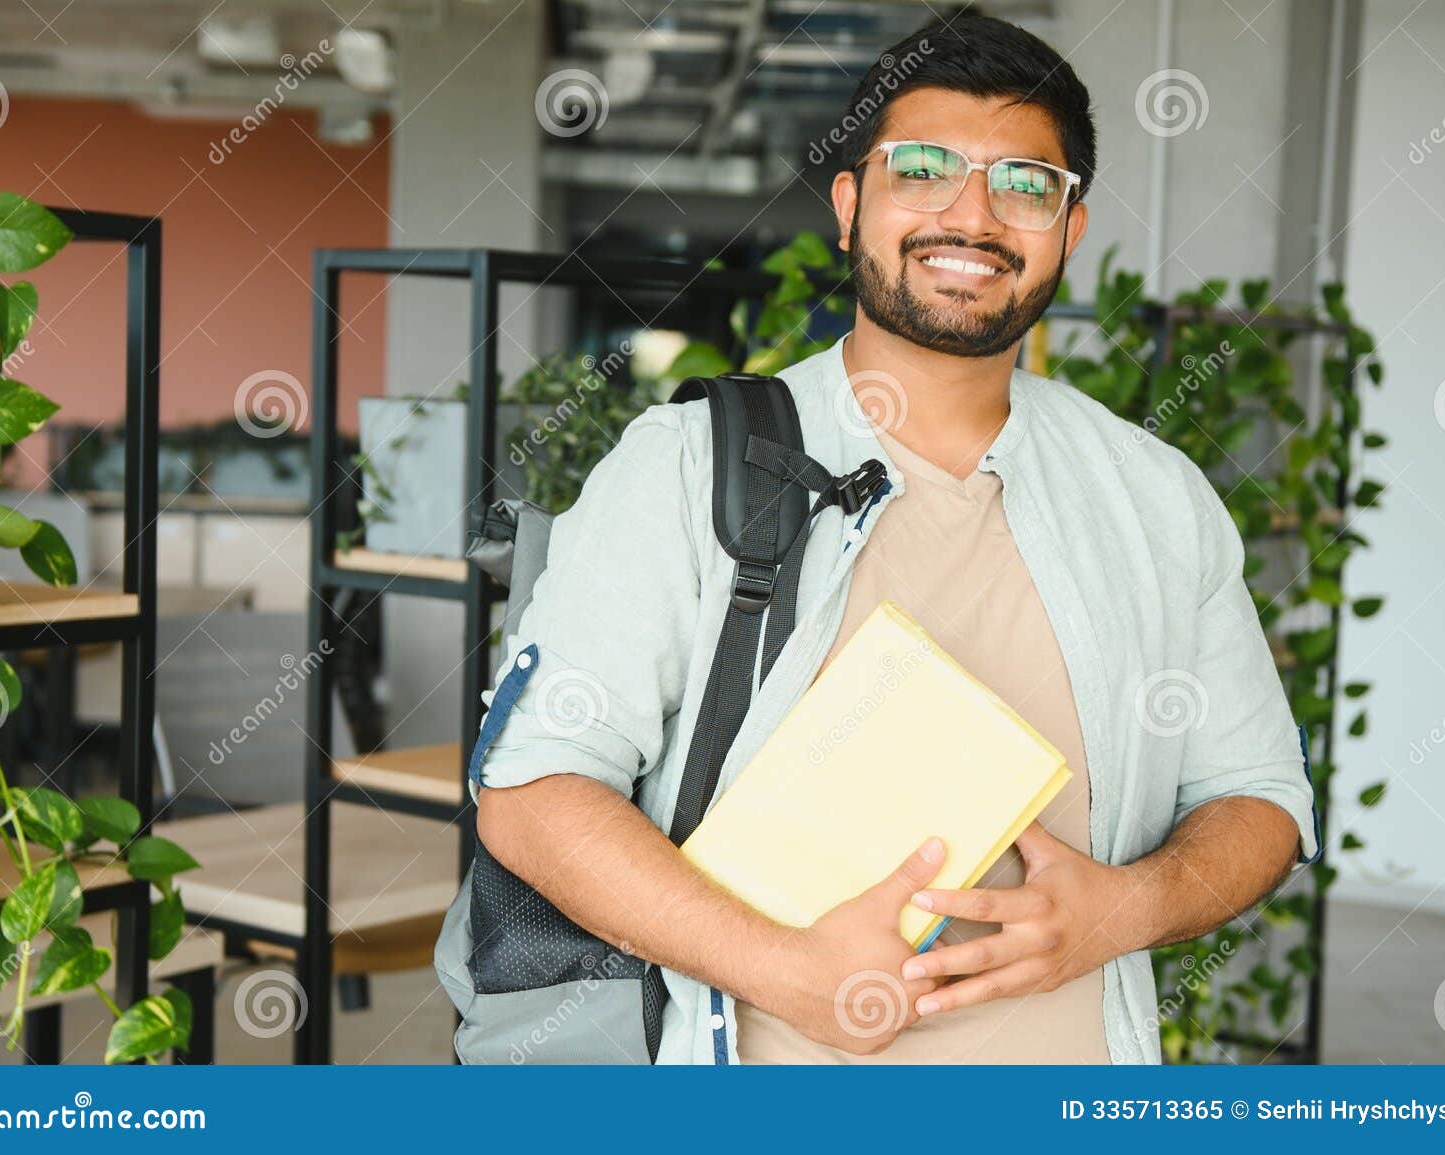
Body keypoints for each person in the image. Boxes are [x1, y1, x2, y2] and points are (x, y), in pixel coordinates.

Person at [472, 13, 1317, 1064]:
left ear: (1069, 228)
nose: (972, 214)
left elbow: (1260, 797)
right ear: (848, 205)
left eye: (1024, 183)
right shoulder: (685, 467)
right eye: (921, 170)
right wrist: (790, 976)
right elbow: (532, 791)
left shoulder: (1152, 496)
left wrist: (1126, 910)